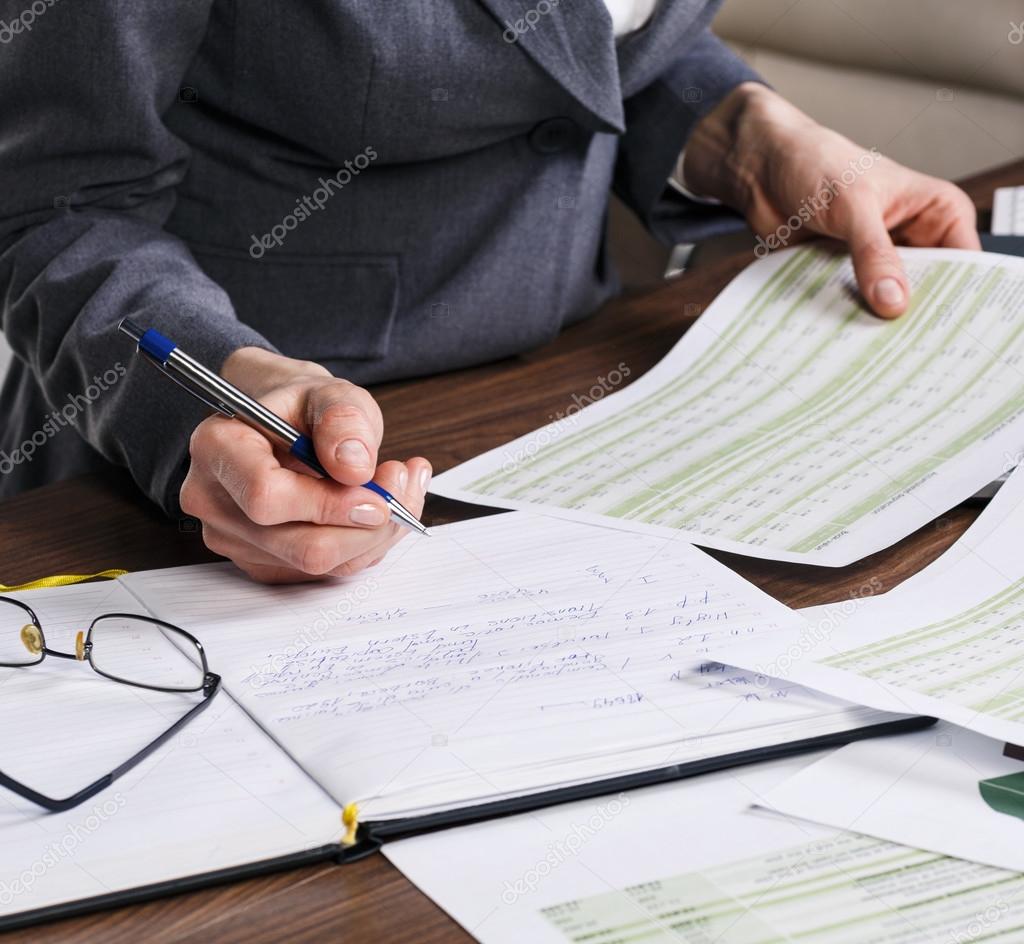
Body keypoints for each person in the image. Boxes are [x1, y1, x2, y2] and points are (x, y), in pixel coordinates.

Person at [0, 0, 979, 583]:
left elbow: (590, 36)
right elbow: (53, 199)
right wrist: (220, 370)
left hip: (579, 422)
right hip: (230, 482)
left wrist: (736, 132)